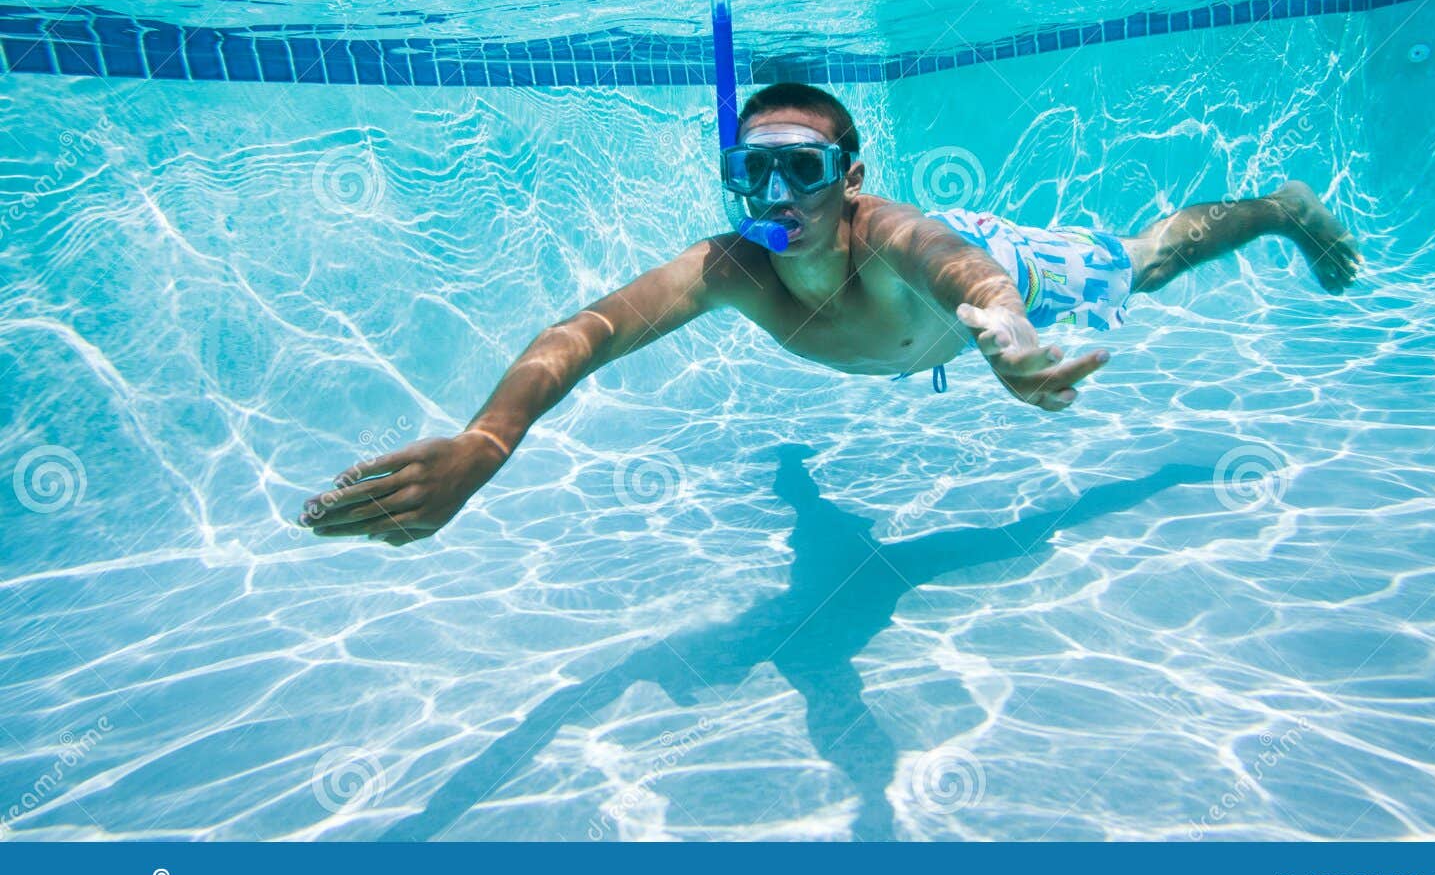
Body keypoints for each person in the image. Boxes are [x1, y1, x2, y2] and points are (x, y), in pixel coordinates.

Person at [300, 82, 1360, 544]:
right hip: (940, 317)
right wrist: (489, 441)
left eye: (799, 171)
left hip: (1004, 264)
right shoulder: (732, 266)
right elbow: (585, 333)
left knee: (1145, 261)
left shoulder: (890, 230)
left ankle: (1277, 208)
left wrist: (1007, 333)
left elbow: (964, 275)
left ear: (847, 176)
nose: (774, 203)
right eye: (749, 176)